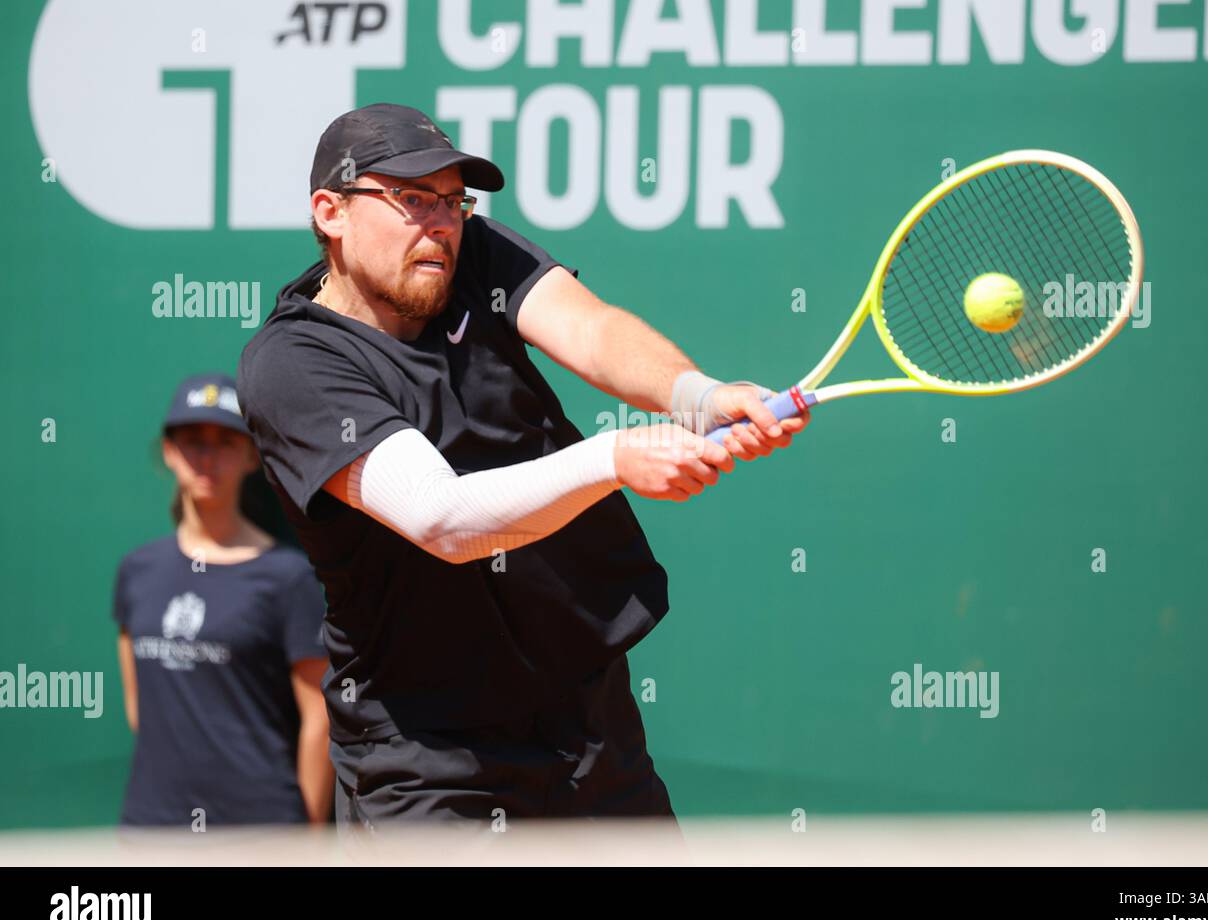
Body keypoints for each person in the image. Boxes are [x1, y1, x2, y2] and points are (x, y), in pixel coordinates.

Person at [236, 103, 808, 828]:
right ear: (332, 212)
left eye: (452, 201)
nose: (441, 223)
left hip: (587, 724)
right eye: (412, 200)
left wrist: (701, 396)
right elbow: (439, 518)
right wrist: (613, 456)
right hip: (428, 760)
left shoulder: (472, 254)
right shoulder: (293, 367)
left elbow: (592, 330)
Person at [113, 373, 333, 826]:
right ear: (170, 451)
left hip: (258, 831)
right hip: (153, 828)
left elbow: (320, 720)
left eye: (224, 442)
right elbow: (140, 706)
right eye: (193, 441)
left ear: (251, 456)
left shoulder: (289, 578)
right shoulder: (137, 572)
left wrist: (305, 842)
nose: (207, 458)